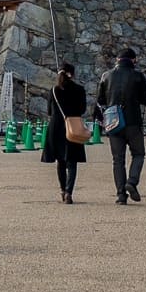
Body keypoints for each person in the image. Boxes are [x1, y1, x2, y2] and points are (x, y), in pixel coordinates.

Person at [97, 48, 146, 206]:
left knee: (117, 160)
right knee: (138, 154)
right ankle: (132, 181)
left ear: (117, 60)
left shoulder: (106, 76)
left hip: (114, 121)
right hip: (133, 121)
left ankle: (121, 195)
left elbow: (100, 100)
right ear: (133, 60)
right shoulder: (138, 76)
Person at [43, 62, 90, 204]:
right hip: (73, 127)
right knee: (72, 162)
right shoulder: (79, 89)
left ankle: (63, 190)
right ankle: (69, 192)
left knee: (60, 161)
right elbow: (82, 110)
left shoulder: (54, 90)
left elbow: (49, 112)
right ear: (72, 74)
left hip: (56, 127)